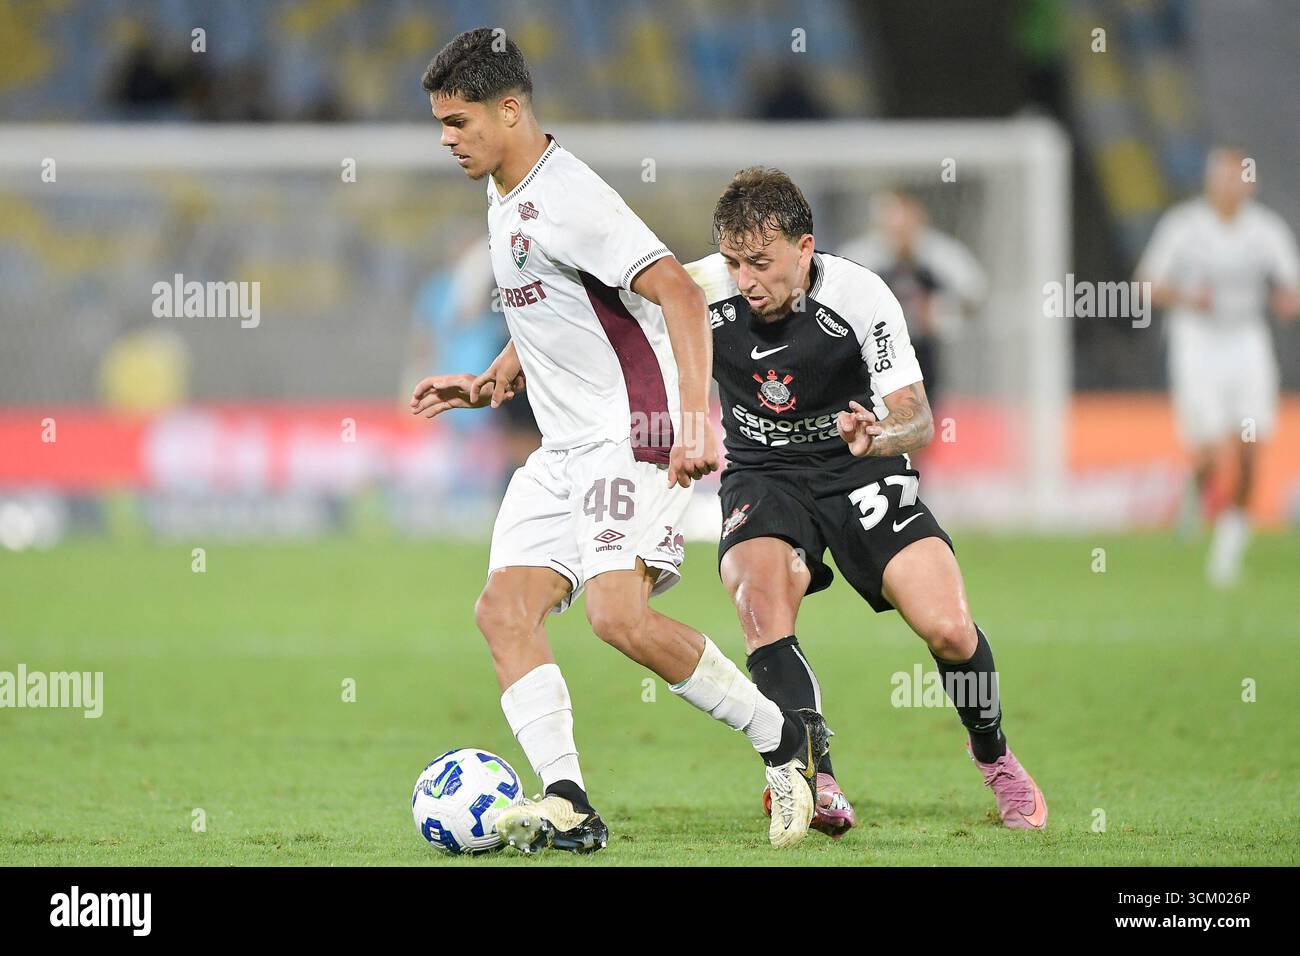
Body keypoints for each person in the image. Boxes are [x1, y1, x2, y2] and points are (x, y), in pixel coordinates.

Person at [409, 30, 827, 854]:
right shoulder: (504, 191)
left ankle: (781, 740)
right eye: (440, 125)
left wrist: (695, 419)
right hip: (563, 446)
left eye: (458, 122)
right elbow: (566, 305)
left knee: (616, 617)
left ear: (510, 108)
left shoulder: (568, 196)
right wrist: (496, 374)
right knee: (503, 612)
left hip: (629, 433)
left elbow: (670, 287)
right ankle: (567, 798)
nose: (447, 140)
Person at [685, 167, 1048, 834]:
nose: (745, 280)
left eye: (761, 262)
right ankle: (814, 775)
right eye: (734, 261)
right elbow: (601, 320)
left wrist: (879, 433)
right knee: (760, 606)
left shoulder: (861, 295)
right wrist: (512, 363)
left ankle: (994, 756)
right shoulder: (697, 287)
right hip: (761, 474)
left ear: (804, 248)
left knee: (947, 627)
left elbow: (918, 419)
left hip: (856, 472)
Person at [1136, 145, 1300, 586]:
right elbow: (1145, 284)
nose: (1232, 185)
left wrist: (1287, 300)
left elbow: (1291, 286)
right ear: (1210, 181)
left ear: (1251, 182)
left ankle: (1227, 552)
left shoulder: (1266, 230)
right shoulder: (1184, 226)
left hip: (1246, 340)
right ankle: (1196, 489)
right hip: (1197, 341)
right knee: (1209, 451)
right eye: (1224, 176)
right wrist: (1189, 297)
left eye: (1239, 176)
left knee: (1249, 447)